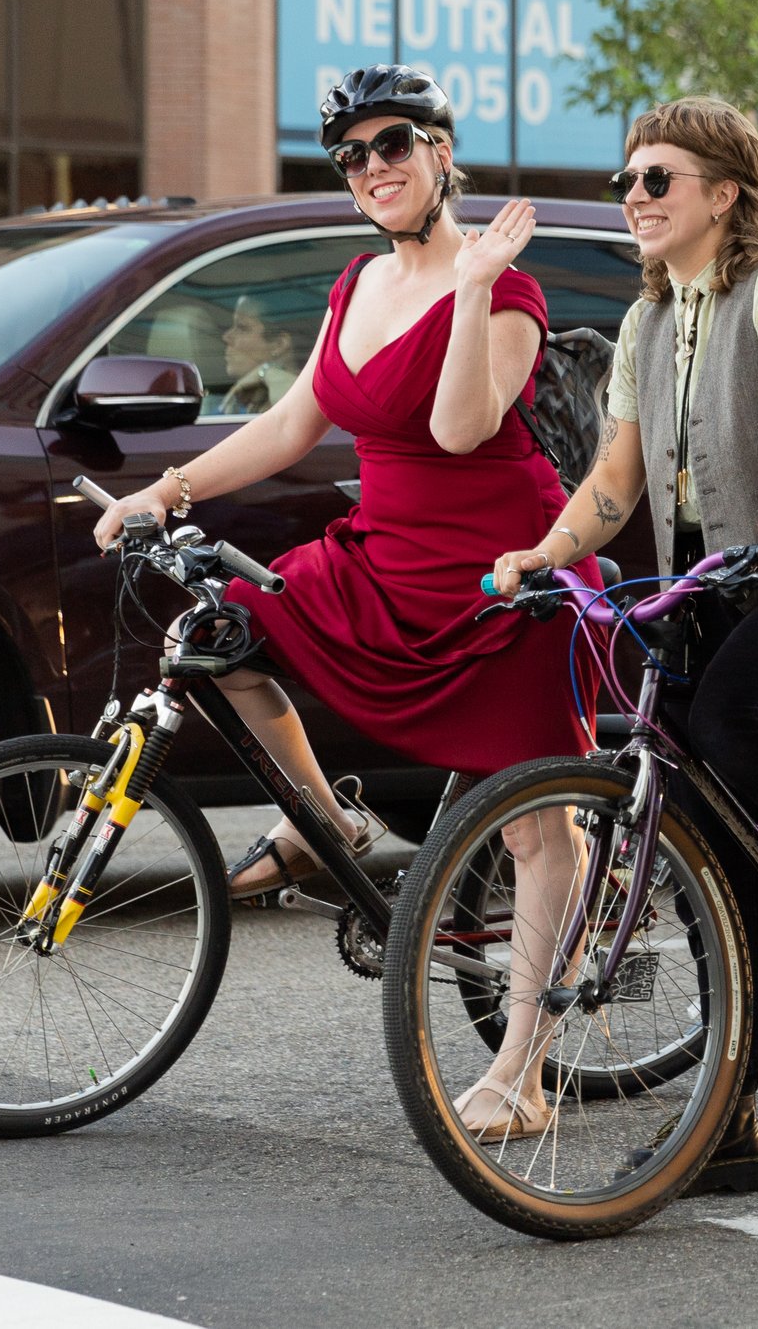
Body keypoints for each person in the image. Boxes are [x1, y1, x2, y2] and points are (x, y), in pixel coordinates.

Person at [92, 63, 600, 1134]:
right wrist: (163, 490)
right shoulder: (354, 287)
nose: (374, 167)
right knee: (216, 633)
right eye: (353, 154)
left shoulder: (506, 287)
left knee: (530, 831)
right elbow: (288, 427)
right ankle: (327, 815)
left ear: (440, 152)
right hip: (382, 554)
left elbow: (463, 428)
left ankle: (524, 1069)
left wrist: (469, 288)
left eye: (394, 144)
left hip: (505, 571)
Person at [486, 96, 758, 1197]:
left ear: (724, 193)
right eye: (626, 179)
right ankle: (731, 1118)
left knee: (734, 720)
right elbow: (615, 480)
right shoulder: (642, 324)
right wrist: (544, 550)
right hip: (713, 586)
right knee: (715, 855)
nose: (634, 196)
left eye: (657, 179)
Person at [216, 294, 299, 415]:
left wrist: (265, 372)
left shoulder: (319, 396)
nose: (226, 337)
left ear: (279, 344)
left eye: (242, 328)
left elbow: (300, 413)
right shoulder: (230, 405)